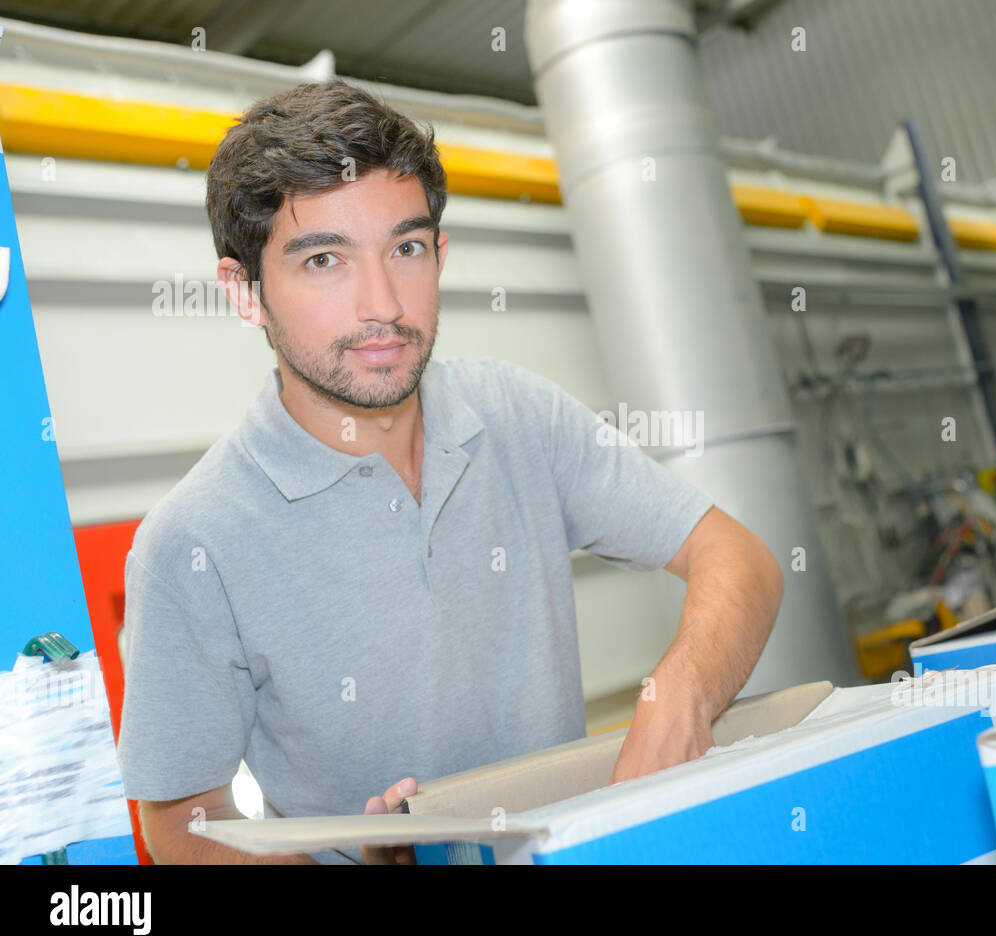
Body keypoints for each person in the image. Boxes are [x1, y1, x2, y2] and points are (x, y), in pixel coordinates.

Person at [116, 79, 784, 865]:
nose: (384, 305)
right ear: (244, 291)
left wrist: (679, 696)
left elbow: (741, 559)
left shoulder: (518, 415)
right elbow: (184, 825)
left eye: (406, 248)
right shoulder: (191, 542)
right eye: (325, 259)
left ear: (440, 252)